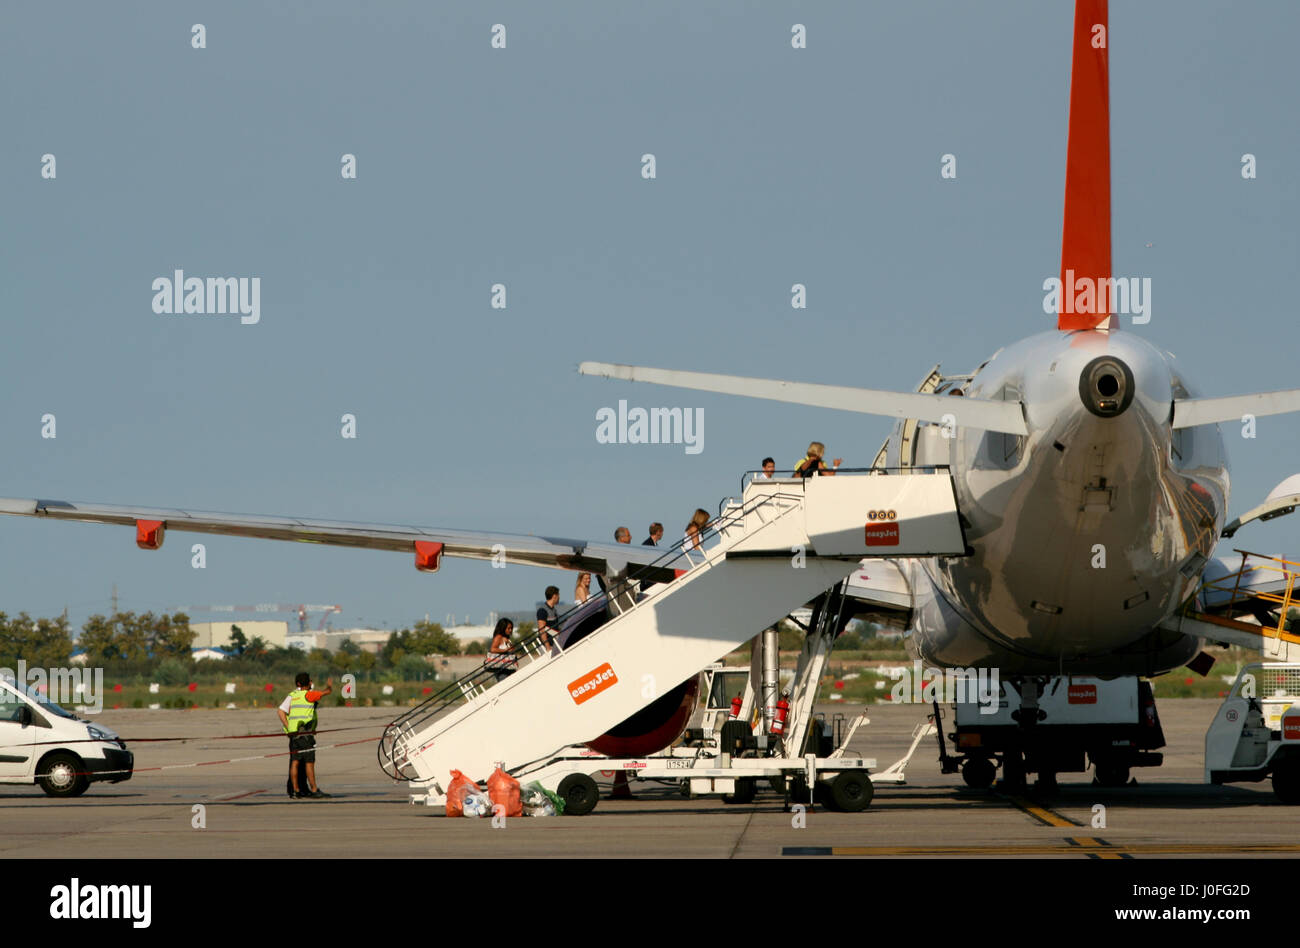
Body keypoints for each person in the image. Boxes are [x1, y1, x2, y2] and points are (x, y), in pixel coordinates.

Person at [279, 673, 333, 799]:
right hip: (305, 735)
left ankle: (295, 790)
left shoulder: (293, 695)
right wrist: (329, 686)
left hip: (294, 734)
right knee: (309, 762)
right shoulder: (308, 694)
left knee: (295, 762)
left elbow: (281, 711)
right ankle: (314, 789)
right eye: (310, 681)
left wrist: (288, 727)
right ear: (308, 683)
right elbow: (326, 692)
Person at [536, 586, 562, 651]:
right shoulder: (542, 610)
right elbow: (542, 630)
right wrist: (547, 646)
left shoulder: (554, 611)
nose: (559, 597)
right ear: (554, 596)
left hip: (554, 644)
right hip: (546, 646)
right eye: (558, 595)